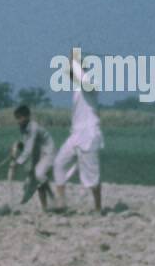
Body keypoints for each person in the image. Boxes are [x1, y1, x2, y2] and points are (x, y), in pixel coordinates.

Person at [53, 49, 104, 213]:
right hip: (76, 134)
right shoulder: (77, 85)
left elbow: (80, 78)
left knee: (91, 177)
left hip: (89, 133)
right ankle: (61, 202)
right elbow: (69, 72)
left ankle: (98, 207)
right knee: (59, 163)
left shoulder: (91, 82)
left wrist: (75, 58)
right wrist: (72, 57)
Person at [11, 104, 55, 211]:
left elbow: (28, 149)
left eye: (19, 118)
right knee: (33, 181)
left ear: (27, 116)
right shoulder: (23, 128)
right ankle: (45, 207)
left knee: (39, 175)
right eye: (16, 118)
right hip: (38, 153)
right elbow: (26, 145)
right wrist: (18, 146)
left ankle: (53, 197)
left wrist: (17, 162)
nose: (18, 121)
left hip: (48, 153)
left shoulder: (33, 127)